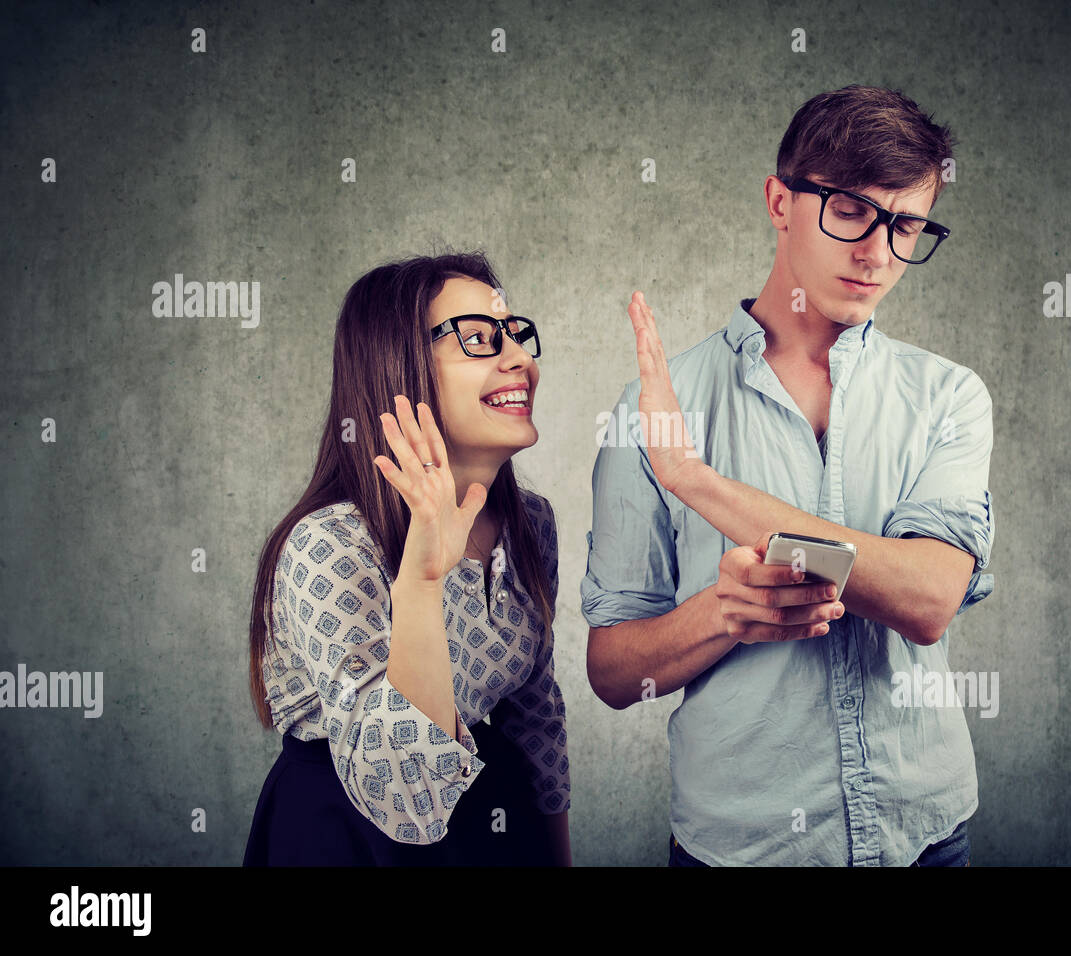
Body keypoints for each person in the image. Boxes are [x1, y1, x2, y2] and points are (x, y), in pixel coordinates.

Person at [582, 86, 993, 867]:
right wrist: (722, 613)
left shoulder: (950, 396)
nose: (877, 254)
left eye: (906, 226)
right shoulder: (652, 409)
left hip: (924, 839)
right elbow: (613, 673)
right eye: (851, 211)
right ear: (780, 201)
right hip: (742, 849)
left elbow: (928, 600)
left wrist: (698, 482)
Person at [243, 252, 571, 866]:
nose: (520, 360)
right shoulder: (328, 544)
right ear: (398, 366)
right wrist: (421, 581)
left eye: (515, 334)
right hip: (348, 832)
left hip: (485, 822)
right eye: (479, 338)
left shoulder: (532, 524)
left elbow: (536, 718)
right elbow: (401, 798)